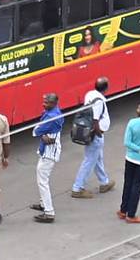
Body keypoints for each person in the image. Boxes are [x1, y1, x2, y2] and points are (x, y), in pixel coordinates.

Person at [72, 76, 116, 198]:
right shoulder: (99, 101)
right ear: (106, 88)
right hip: (95, 134)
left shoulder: (90, 94)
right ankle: (77, 188)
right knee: (89, 160)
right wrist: (98, 134)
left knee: (97, 158)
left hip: (90, 132)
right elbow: (95, 119)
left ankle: (104, 182)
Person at [31, 92, 64, 223]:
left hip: (49, 152)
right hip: (48, 149)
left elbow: (36, 130)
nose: (44, 104)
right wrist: (42, 134)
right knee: (42, 178)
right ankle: (43, 204)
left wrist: (40, 132)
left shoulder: (51, 116)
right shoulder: (56, 112)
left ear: (54, 103)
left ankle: (49, 212)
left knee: (42, 181)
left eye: (47, 102)